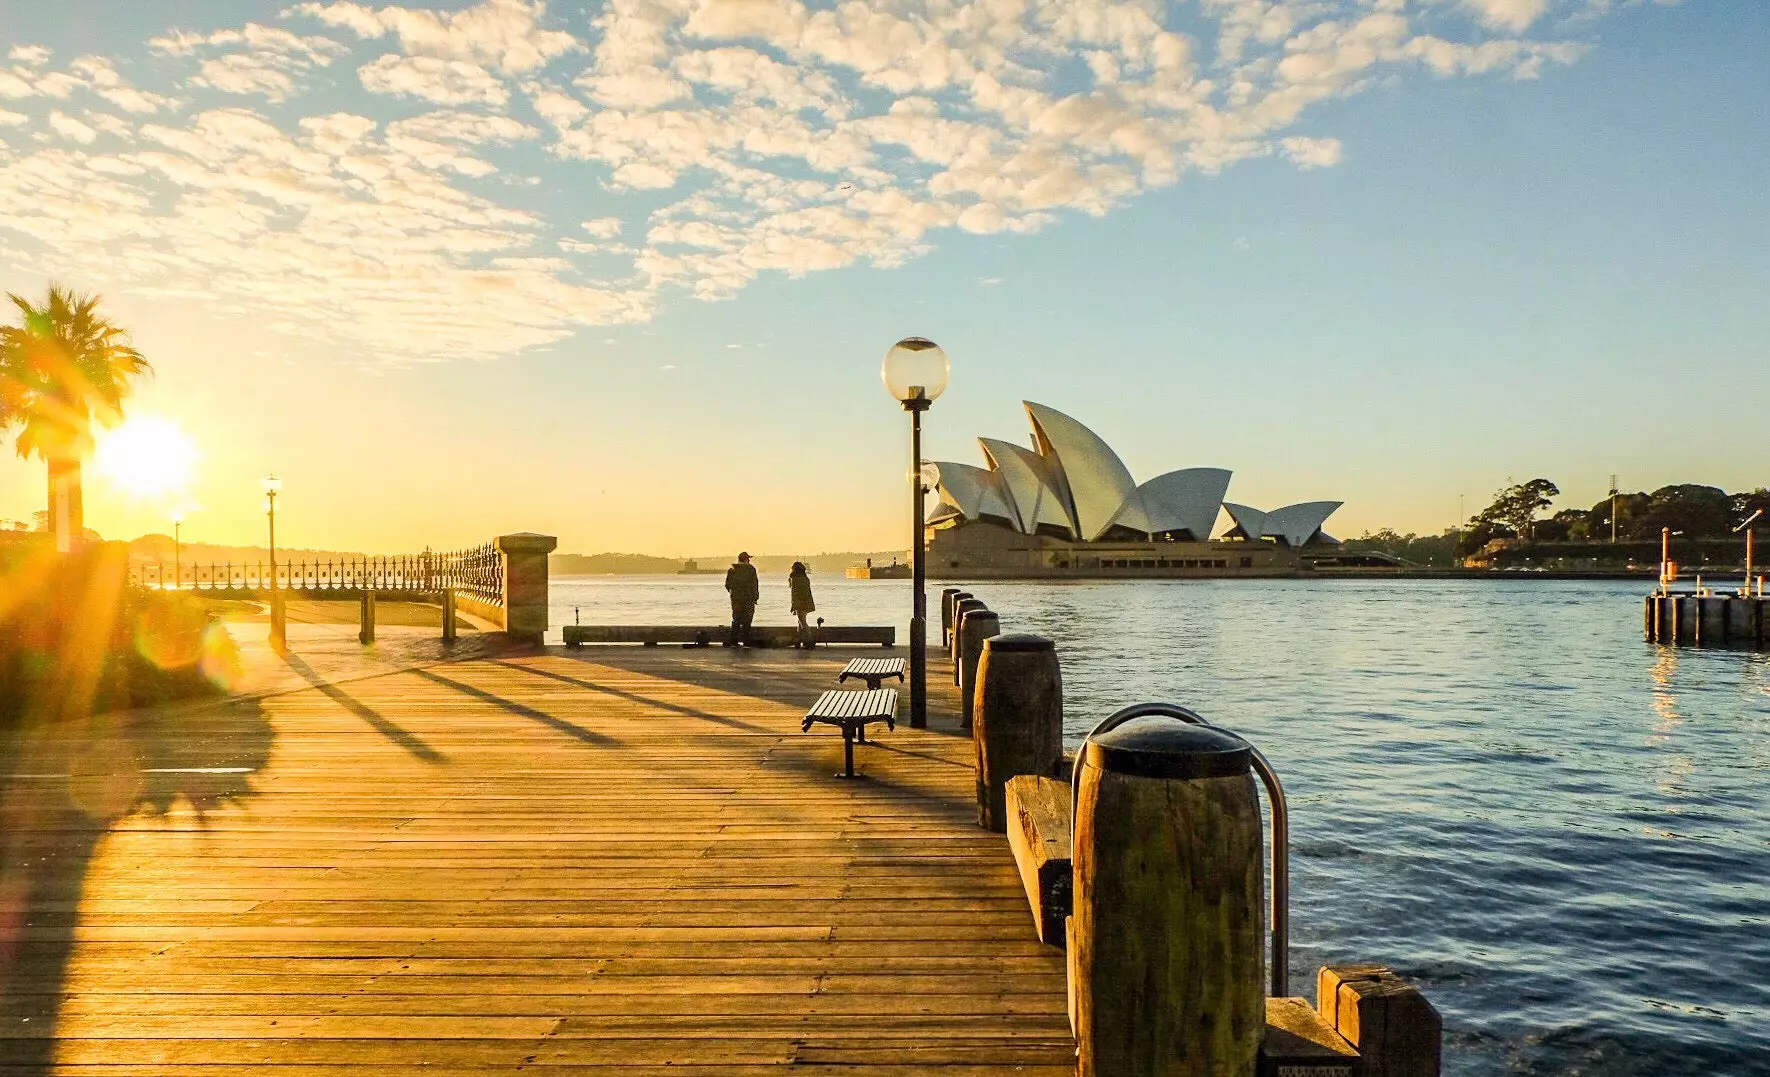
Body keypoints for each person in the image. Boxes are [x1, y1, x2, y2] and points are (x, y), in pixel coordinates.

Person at [724, 551, 759, 647]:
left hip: (735, 599)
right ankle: (746, 641)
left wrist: (733, 593)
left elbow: (727, 585)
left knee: (736, 619)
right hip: (748, 599)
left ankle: (733, 641)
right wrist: (755, 597)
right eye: (748, 559)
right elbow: (754, 584)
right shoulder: (751, 569)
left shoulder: (732, 570)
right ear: (746, 559)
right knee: (747, 620)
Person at [788, 561, 816, 648]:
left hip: (800, 603)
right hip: (807, 603)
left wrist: (793, 605)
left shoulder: (794, 579)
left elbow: (794, 593)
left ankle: (810, 641)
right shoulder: (805, 578)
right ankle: (799, 641)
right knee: (800, 621)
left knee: (802, 622)